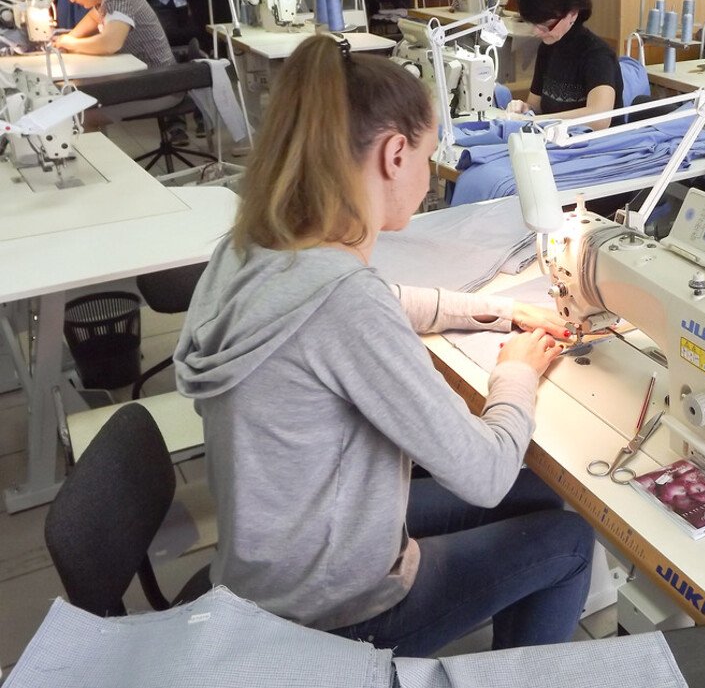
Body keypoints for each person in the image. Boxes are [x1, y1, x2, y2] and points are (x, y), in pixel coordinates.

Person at [173, 36, 595, 656]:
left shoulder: (249, 249)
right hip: (331, 613)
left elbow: (380, 301)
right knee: (570, 541)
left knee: (537, 492)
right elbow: (484, 474)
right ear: (396, 154)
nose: (429, 175)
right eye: (429, 155)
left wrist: (501, 313)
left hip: (270, 563)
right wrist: (517, 373)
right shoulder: (344, 299)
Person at [510, 0, 623, 130]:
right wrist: (524, 109)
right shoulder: (548, 47)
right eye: (534, 24)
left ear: (573, 13)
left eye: (546, 25)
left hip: (600, 143)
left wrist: (539, 121)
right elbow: (536, 105)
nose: (537, 32)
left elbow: (600, 119)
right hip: (558, 139)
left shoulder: (597, 55)